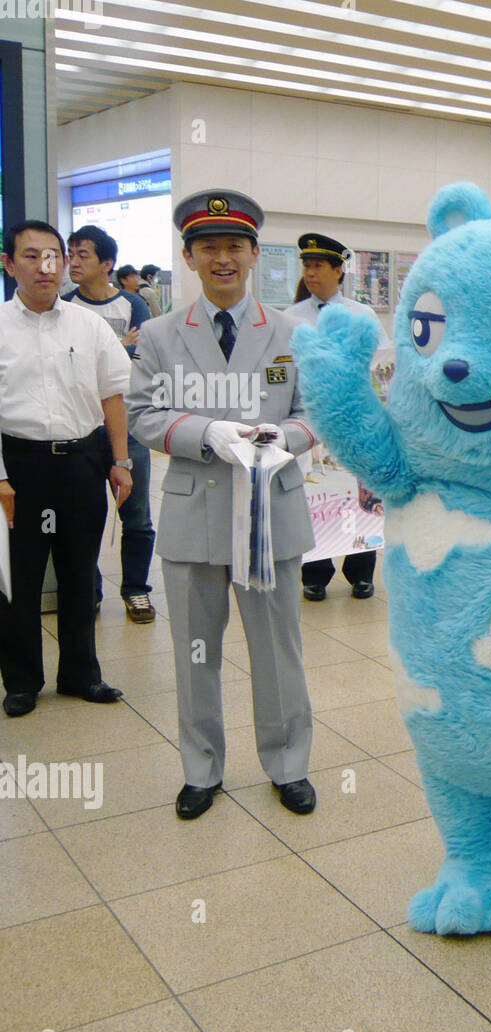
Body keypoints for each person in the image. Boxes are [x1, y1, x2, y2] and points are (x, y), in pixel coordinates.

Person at [126, 189, 318, 820]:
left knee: (277, 651)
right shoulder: (158, 334)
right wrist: (207, 433)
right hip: (194, 513)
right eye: (209, 247)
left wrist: (278, 440)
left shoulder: (293, 333)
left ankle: (288, 764)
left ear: (255, 253)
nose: (223, 258)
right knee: (195, 651)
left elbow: (315, 414)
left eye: (235, 246)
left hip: (272, 513)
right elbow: (142, 415)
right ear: (189, 257)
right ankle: (201, 768)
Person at [0, 220, 132, 717]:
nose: (46, 266)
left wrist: (119, 462)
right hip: (20, 467)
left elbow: (112, 396)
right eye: (31, 256)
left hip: (81, 462)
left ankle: (81, 673)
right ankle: (21, 680)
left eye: (54, 255)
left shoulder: (89, 325)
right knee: (19, 577)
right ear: (9, 264)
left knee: (81, 572)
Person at [284, 232, 391, 601]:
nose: (311, 273)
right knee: (317, 497)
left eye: (318, 266)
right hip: (309, 420)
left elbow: (383, 368)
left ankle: (360, 572)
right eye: (307, 266)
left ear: (338, 270)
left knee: (359, 496)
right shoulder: (290, 317)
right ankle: (314, 573)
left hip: (356, 421)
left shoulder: (362, 316)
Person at [65, 225, 157, 623]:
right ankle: (91, 590)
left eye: (83, 254)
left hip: (130, 425)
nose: (73, 261)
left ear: (107, 264)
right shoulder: (65, 306)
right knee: (84, 516)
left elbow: (143, 358)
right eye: (71, 253)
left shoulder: (133, 305)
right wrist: (117, 351)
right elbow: (66, 368)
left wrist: (102, 357)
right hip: (81, 427)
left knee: (136, 515)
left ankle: (136, 590)